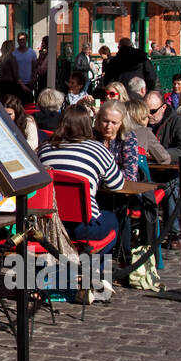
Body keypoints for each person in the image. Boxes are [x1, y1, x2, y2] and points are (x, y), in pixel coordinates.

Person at [36, 105, 127, 263]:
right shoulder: (98, 149)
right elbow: (117, 184)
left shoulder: (44, 149)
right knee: (113, 220)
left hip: (50, 224)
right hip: (83, 227)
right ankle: (90, 268)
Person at [143, 90, 181, 162]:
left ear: (163, 107)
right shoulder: (140, 121)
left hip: (169, 169)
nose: (148, 115)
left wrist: (159, 154)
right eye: (145, 111)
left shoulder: (177, 122)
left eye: (152, 111)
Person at [94, 99, 138, 182]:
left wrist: (101, 175)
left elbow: (130, 174)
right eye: (105, 121)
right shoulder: (92, 135)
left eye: (114, 123)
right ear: (99, 119)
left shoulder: (128, 137)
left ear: (122, 122)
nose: (108, 126)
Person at [126, 97, 170, 167]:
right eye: (147, 117)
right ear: (142, 117)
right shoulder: (145, 132)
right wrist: (151, 158)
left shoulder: (117, 131)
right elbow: (164, 158)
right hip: (137, 175)